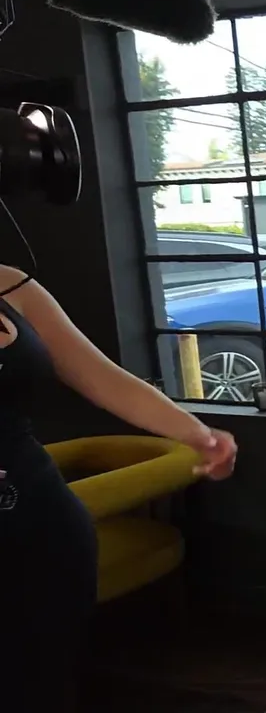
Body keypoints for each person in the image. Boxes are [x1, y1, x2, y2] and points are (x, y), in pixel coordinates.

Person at [0, 264, 237, 713]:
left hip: (42, 523)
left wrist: (197, 433)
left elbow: (100, 376)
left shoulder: (11, 283)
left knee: (41, 683)